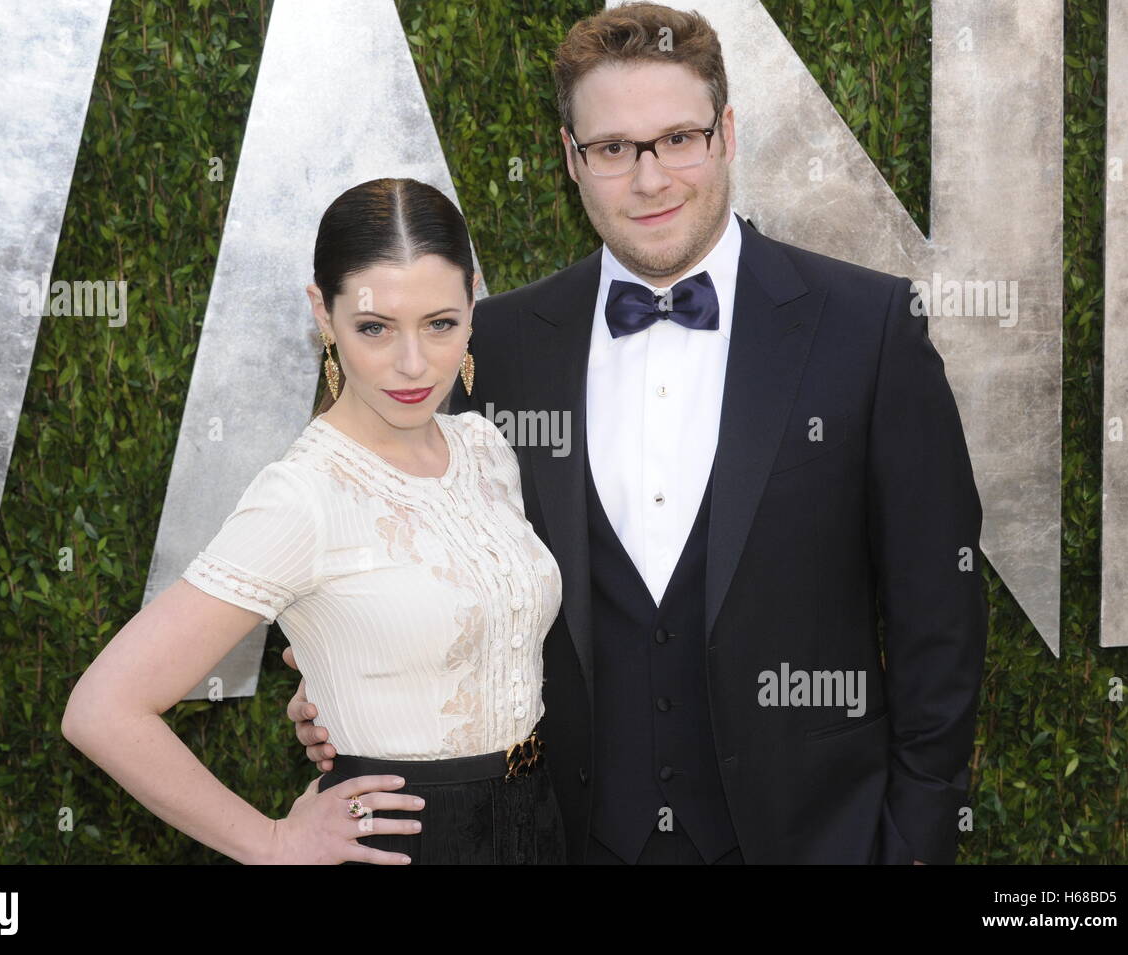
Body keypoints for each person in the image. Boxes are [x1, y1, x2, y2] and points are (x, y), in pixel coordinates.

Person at [289, 2, 988, 865]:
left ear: (725, 132)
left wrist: (913, 846)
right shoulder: (492, 344)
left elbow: (939, 621)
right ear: (569, 159)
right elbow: (425, 564)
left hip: (815, 840)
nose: (650, 180)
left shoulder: (867, 328)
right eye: (613, 149)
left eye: (678, 139)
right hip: (566, 838)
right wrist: (348, 690)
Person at [63, 177, 565, 864]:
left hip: (541, 824)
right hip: (403, 844)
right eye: (374, 327)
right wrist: (272, 841)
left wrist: (349, 668)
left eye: (440, 322)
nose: (413, 363)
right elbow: (103, 709)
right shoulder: (303, 494)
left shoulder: (485, 450)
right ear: (324, 315)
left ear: (473, 299)